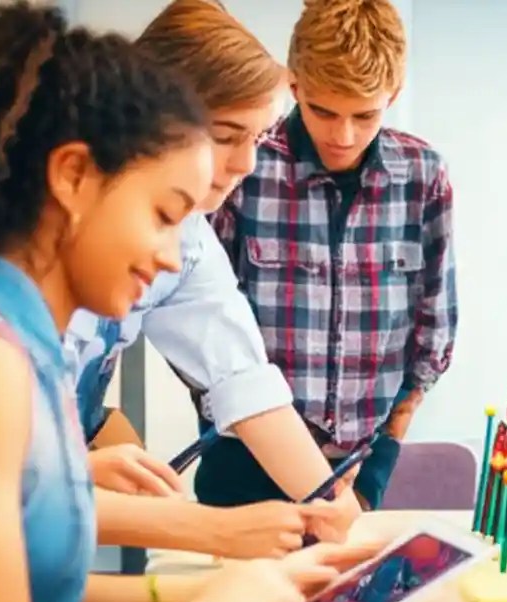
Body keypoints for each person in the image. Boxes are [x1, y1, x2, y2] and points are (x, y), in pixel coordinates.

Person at [0, 5, 373, 602]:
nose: (177, 255)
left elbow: (37, 590)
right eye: (163, 214)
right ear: (75, 175)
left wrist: (246, 594)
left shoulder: (31, 355)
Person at [65, 0, 360, 559]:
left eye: (259, 137)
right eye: (227, 136)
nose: (247, 164)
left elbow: (242, 376)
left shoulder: (192, 238)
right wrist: (206, 531)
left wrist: (323, 495)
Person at [202, 0, 456, 512]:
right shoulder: (245, 166)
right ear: (294, 88)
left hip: (360, 467)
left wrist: (383, 456)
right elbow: (202, 325)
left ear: (393, 96)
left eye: (365, 116)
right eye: (323, 111)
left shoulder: (423, 176)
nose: (343, 136)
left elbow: (435, 334)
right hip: (244, 461)